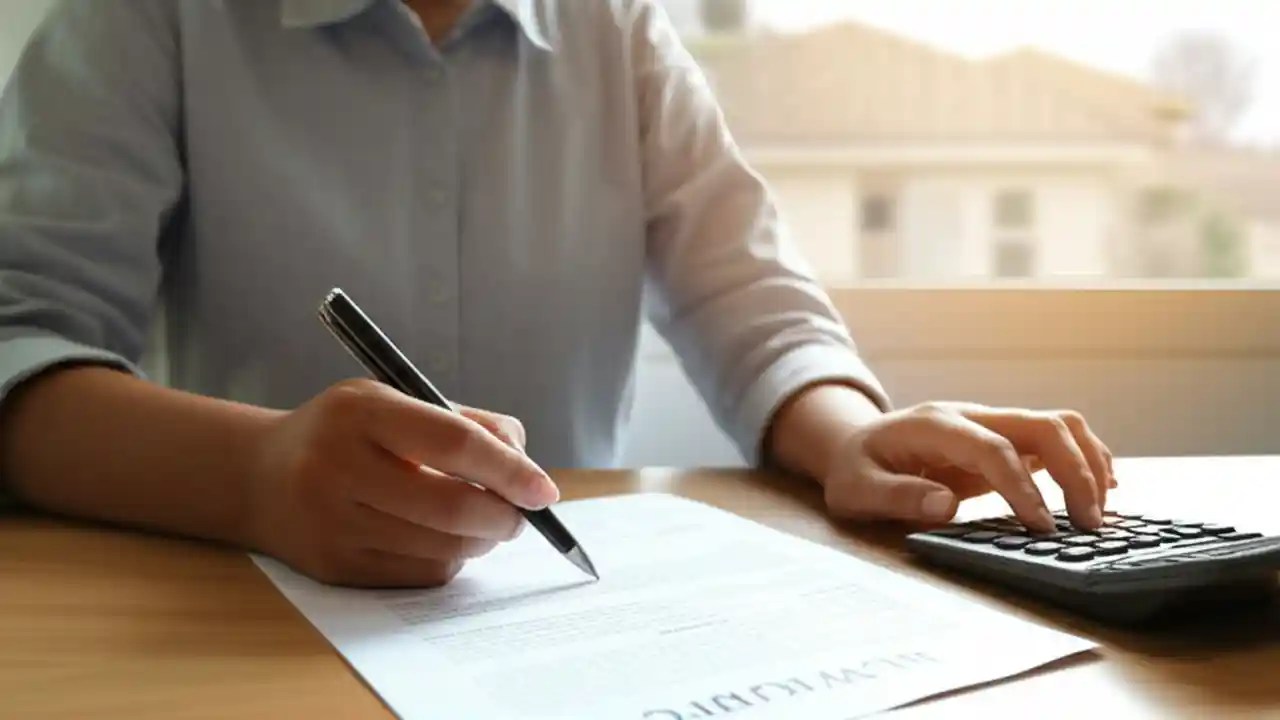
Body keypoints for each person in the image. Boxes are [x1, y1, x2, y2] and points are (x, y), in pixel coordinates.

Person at [0, 0, 1114, 587]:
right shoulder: (147, 17)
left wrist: (852, 437)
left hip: (553, 623)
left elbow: (748, 298)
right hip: (237, 616)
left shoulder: (617, 28)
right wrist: (254, 478)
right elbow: (20, 339)